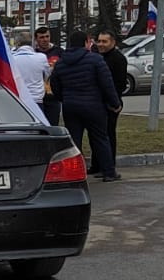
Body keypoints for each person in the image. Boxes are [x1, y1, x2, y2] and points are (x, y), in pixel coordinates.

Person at [50, 29, 122, 180]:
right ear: (86, 43)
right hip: (93, 106)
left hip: (70, 106)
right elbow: (107, 84)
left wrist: (64, 98)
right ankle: (109, 172)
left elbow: (55, 86)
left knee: (75, 140)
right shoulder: (96, 60)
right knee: (100, 138)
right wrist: (115, 103)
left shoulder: (61, 63)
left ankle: (75, 173)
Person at [95, 31, 129, 169]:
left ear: (112, 42)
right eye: (99, 41)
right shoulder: (98, 57)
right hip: (97, 102)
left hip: (111, 103)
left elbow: (120, 84)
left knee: (108, 135)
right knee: (96, 135)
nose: (101, 44)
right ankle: (97, 164)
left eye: (104, 41)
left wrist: (113, 102)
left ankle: (109, 165)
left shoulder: (118, 59)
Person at [10, 31, 52, 117]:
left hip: (18, 99)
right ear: (32, 42)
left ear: (17, 43)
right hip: (37, 99)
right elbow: (48, 75)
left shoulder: (12, 59)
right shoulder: (41, 57)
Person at [34, 26, 63, 125]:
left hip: (54, 96)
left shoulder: (59, 51)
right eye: (41, 37)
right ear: (36, 39)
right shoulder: (33, 53)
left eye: (47, 36)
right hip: (37, 96)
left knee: (53, 125)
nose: (45, 40)